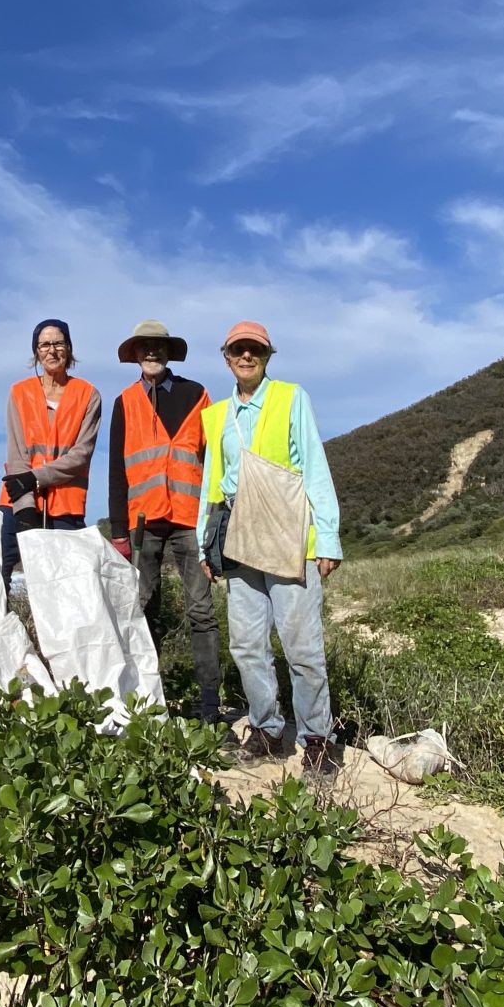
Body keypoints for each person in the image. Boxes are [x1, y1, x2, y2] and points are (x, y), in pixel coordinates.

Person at [198, 322, 344, 780]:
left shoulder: (290, 397)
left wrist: (327, 537)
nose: (247, 356)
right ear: (226, 357)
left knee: (302, 645)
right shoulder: (216, 416)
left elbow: (314, 467)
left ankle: (318, 739)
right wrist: (205, 542)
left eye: (255, 350)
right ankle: (266, 730)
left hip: (288, 532)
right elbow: (212, 483)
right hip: (239, 534)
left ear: (267, 356)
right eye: (238, 350)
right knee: (246, 644)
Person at [107, 319, 222, 724]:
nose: (151, 352)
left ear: (169, 352)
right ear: (135, 355)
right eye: (144, 346)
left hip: (191, 520)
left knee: (201, 612)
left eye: (159, 346)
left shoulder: (197, 394)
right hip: (142, 521)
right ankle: (148, 701)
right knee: (141, 610)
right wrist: (118, 532)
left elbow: (215, 459)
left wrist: (215, 520)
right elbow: (117, 470)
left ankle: (210, 705)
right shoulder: (124, 402)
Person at [0, 318, 101, 583]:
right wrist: (25, 509)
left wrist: (35, 478)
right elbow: (17, 453)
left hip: (66, 504)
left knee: (65, 581)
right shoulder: (19, 392)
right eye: (44, 345)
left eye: (58, 343)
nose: (52, 351)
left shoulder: (88, 394)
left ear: (69, 348)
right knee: (0, 571)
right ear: (36, 351)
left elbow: (81, 455)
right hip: (19, 498)